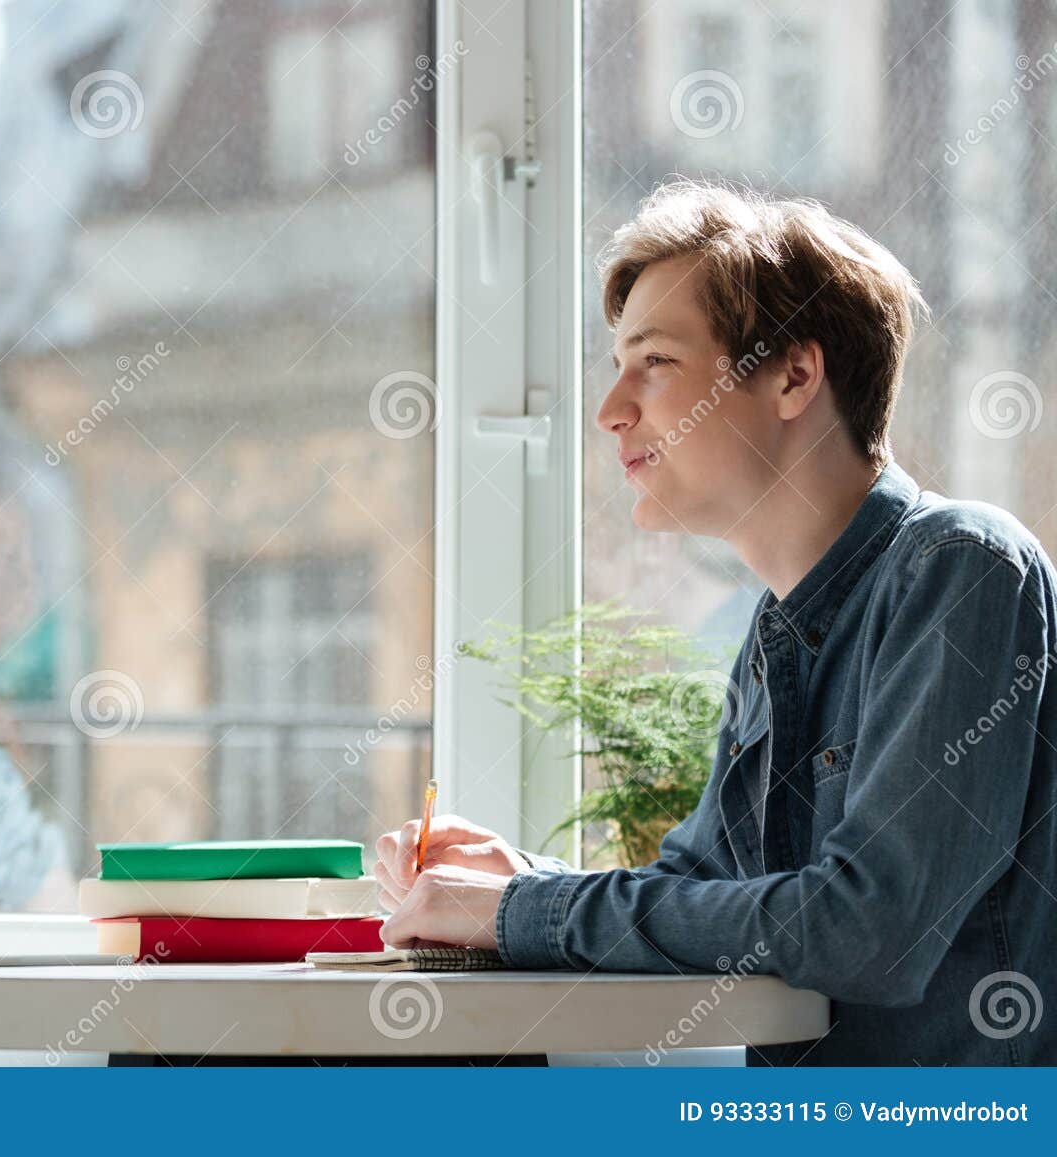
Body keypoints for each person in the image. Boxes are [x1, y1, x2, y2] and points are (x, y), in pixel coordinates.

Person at [375, 179, 1057, 1065]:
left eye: (654, 362)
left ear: (793, 374)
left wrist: (517, 914)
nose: (611, 408)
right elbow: (699, 888)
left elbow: (866, 926)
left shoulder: (961, 569)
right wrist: (516, 881)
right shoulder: (776, 632)